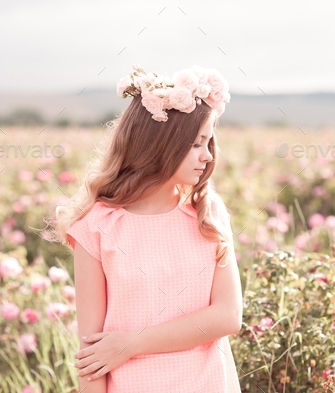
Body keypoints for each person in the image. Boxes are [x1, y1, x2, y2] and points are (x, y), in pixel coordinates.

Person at [51, 64, 243, 393]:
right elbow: (92, 351)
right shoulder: (97, 225)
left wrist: (132, 344)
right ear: (160, 146)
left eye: (209, 143)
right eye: (196, 144)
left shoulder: (206, 214)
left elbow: (227, 316)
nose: (207, 156)